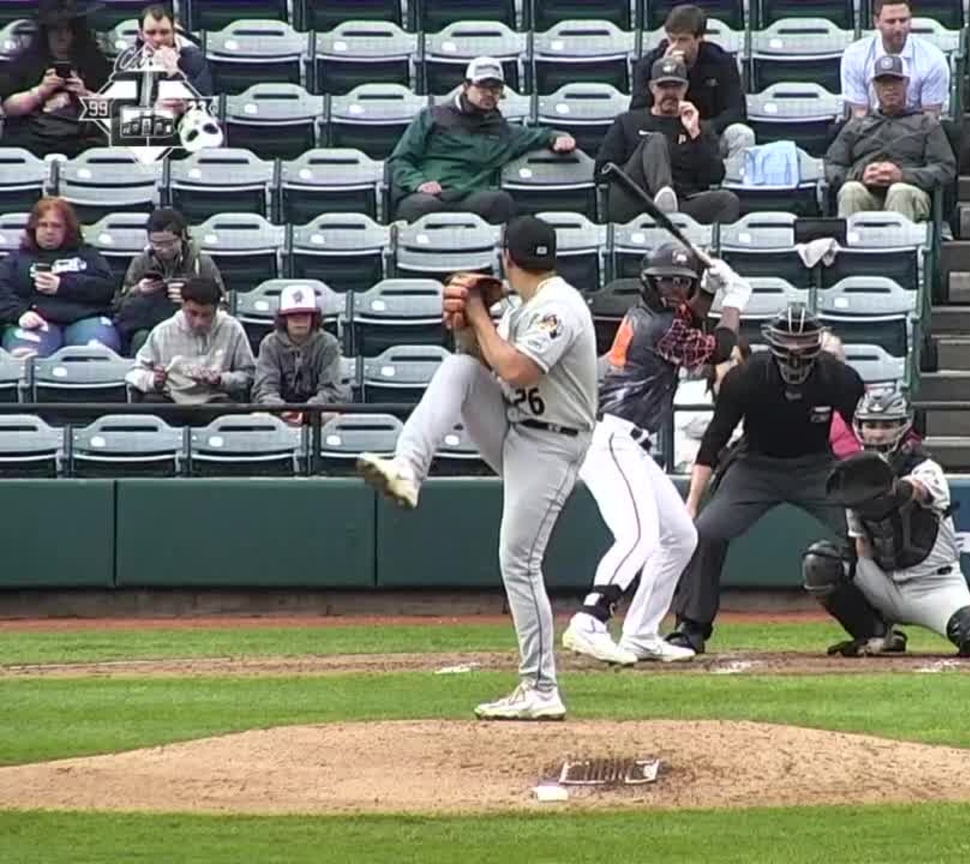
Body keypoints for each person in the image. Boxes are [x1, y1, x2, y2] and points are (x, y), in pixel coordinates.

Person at [356, 216, 599, 722]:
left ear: (507, 258)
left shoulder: (559, 307)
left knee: (518, 562)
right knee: (459, 368)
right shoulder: (522, 307)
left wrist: (478, 314)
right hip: (517, 431)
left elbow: (516, 369)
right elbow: (485, 361)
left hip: (552, 448)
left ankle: (541, 687)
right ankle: (408, 467)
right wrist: (466, 328)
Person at [562, 242, 751, 666]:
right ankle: (589, 621)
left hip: (634, 447)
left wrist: (709, 289)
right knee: (638, 537)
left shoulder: (664, 314)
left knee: (681, 537)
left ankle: (641, 633)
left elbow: (693, 318)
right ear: (648, 282)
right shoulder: (656, 327)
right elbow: (717, 348)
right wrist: (733, 300)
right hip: (613, 440)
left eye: (682, 283)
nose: (675, 290)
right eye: (667, 280)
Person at [666, 304, 865, 654]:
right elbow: (714, 440)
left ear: (818, 346)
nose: (795, 356)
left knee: (862, 532)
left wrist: (869, 491)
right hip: (755, 466)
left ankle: (873, 625)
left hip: (817, 467)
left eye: (803, 347)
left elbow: (863, 435)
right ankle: (691, 625)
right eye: (788, 346)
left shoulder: (840, 379)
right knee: (707, 532)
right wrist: (693, 502)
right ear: (772, 346)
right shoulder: (746, 378)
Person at [804, 389, 970, 658]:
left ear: (904, 426)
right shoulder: (854, 478)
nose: (877, 433)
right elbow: (861, 544)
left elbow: (918, 489)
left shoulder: (925, 467)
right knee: (819, 562)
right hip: (884, 580)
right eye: (870, 424)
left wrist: (890, 489)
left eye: (886, 425)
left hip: (933, 586)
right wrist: (866, 585)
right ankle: (875, 635)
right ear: (858, 426)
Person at [389, 57, 578, 225]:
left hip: (472, 198)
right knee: (418, 206)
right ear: (466, 87)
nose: (489, 93)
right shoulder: (431, 116)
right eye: (482, 86)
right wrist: (419, 183)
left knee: (500, 201)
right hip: (430, 194)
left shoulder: (504, 132)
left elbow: (541, 135)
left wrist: (559, 137)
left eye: (495, 88)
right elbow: (399, 161)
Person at [595, 56, 741, 225]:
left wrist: (695, 134)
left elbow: (715, 176)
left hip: (681, 204)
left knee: (727, 201)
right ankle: (664, 196)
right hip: (634, 202)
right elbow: (602, 171)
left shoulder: (699, 127)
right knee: (655, 140)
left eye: (676, 86)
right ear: (652, 88)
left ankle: (672, 213)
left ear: (685, 88)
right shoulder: (627, 122)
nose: (670, 93)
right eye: (663, 86)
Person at [825, 55, 956, 222]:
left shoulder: (926, 124)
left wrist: (903, 175)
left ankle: (901, 247)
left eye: (895, 82)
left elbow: (945, 169)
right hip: (867, 192)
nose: (890, 88)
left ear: (906, 84)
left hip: (910, 193)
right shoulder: (856, 126)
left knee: (899, 191)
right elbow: (832, 167)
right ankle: (852, 247)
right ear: (874, 86)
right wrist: (860, 175)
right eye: (884, 83)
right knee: (851, 191)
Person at [631, 4, 754, 161]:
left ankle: (732, 182)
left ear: (699, 38)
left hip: (707, 134)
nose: (675, 46)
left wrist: (701, 128)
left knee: (742, 134)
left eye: (683, 40)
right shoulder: (649, 64)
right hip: (664, 135)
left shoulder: (721, 61)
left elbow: (736, 111)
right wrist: (664, 73)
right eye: (671, 39)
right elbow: (637, 111)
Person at [0, 198, 119, 358]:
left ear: (67, 230)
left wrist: (63, 285)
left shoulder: (87, 254)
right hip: (37, 321)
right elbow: (3, 294)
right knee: (25, 357)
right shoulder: (15, 260)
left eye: (56, 226)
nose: (49, 231)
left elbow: (107, 288)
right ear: (33, 228)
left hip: (85, 319)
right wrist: (20, 314)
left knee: (96, 355)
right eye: (43, 225)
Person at [0, 0, 112, 158]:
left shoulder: (95, 63)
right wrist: (40, 92)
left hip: (83, 144)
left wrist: (84, 94)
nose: (61, 37)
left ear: (75, 33)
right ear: (45, 33)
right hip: (31, 144)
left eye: (66, 30)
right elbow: (8, 108)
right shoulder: (25, 62)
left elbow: (112, 111)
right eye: (55, 30)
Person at [124, 275, 255, 404]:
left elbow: (248, 375)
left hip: (215, 398)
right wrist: (153, 380)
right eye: (193, 313)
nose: (199, 322)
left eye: (206, 315)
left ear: (216, 309)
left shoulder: (232, 328)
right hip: (170, 398)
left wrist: (221, 380)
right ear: (183, 306)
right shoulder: (163, 331)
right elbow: (134, 373)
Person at [114, 207, 222, 355]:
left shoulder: (201, 262)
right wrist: (138, 289)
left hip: (193, 325)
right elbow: (119, 304)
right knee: (141, 338)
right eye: (157, 244)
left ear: (182, 237)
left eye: (170, 243)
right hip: (151, 323)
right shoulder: (141, 262)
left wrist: (190, 295)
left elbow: (222, 302)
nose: (164, 249)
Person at [252, 283, 348, 424]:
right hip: (279, 412)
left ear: (313, 317)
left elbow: (331, 389)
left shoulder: (328, 344)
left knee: (334, 418)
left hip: (318, 411)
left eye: (305, 315)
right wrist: (284, 409)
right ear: (284, 319)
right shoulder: (269, 344)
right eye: (293, 316)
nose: (299, 321)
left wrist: (306, 411)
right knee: (258, 417)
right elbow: (265, 388)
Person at [839, 0, 950, 118]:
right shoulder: (854, 55)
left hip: (918, 130)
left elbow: (931, 116)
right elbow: (859, 114)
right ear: (876, 22)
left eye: (903, 20)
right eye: (891, 22)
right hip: (871, 129)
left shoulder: (933, 58)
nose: (898, 28)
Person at [112, 3, 214, 95]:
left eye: (164, 32)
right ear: (140, 35)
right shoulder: (129, 60)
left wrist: (175, 73)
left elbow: (203, 99)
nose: (158, 39)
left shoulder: (193, 58)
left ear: (173, 31)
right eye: (151, 33)